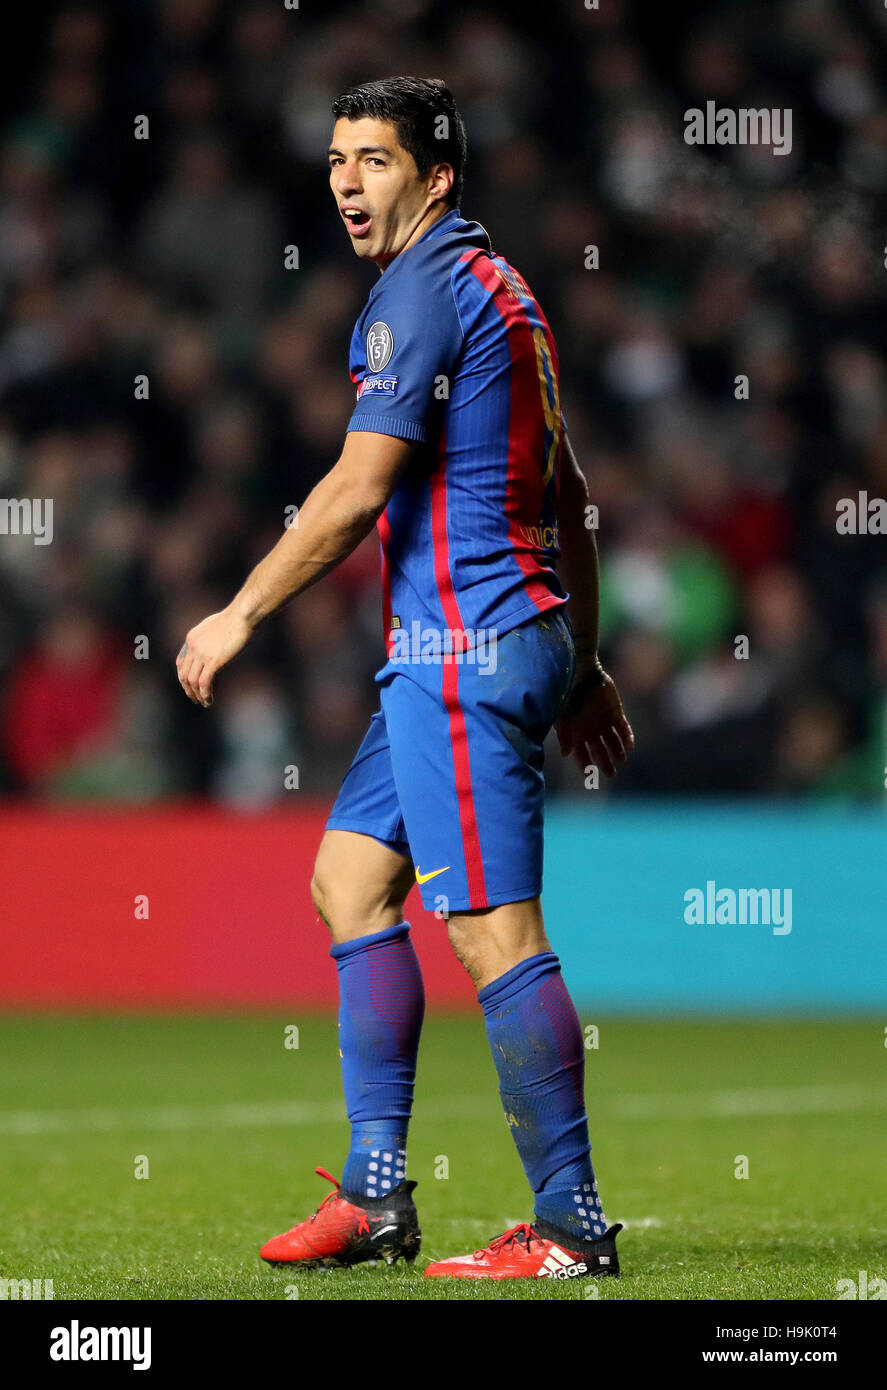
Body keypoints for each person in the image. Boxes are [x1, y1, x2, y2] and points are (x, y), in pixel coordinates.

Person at [176, 76, 635, 1282]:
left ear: (435, 178)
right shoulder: (504, 290)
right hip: (481, 646)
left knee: (491, 933)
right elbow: (571, 500)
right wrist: (578, 660)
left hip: (463, 654)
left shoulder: (419, 295)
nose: (344, 179)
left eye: (373, 159)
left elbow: (355, 490)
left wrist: (236, 612)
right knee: (346, 883)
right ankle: (377, 1197)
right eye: (336, 158)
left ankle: (572, 1228)